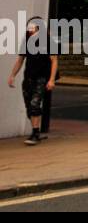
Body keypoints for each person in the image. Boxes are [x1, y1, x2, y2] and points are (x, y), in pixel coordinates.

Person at [6, 17, 58, 145]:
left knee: (35, 105)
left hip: (42, 78)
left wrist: (51, 79)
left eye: (32, 26)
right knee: (29, 107)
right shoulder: (27, 41)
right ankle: (36, 130)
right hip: (28, 77)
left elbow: (54, 60)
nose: (30, 29)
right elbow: (20, 60)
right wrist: (12, 75)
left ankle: (35, 133)